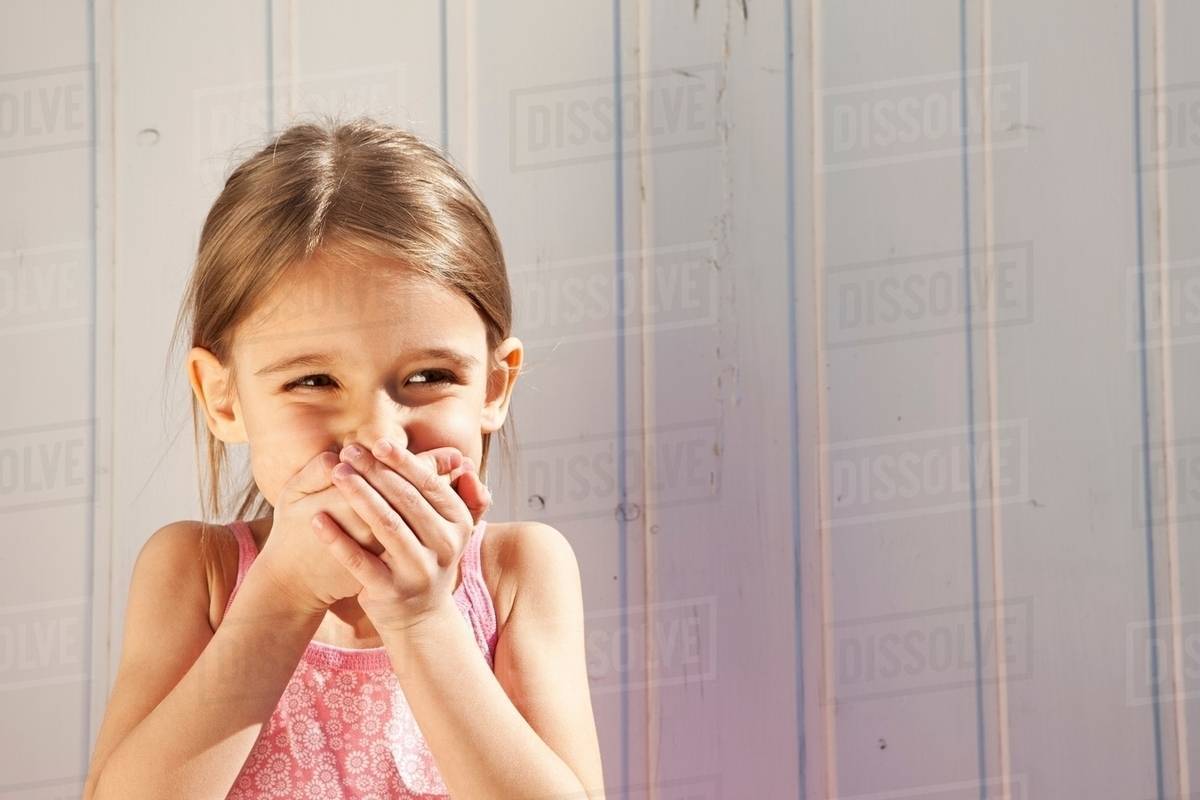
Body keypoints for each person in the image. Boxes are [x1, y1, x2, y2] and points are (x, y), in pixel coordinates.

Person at [83, 116, 606, 799]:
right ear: (224, 398)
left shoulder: (517, 573)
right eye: (313, 381)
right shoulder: (196, 575)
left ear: (494, 386)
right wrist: (284, 593)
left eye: (428, 377)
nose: (379, 436)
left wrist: (420, 619)